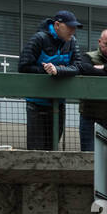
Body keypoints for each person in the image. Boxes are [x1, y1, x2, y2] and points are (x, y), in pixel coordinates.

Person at [18, 10, 84, 151]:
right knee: (36, 148)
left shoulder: (72, 42)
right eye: (69, 27)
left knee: (53, 146)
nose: (72, 31)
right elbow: (23, 66)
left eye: (74, 28)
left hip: (59, 103)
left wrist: (58, 70)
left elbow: (78, 66)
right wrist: (46, 71)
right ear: (57, 25)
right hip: (36, 103)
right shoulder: (39, 38)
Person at [79, 28, 107, 152]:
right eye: (106, 44)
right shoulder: (88, 56)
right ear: (100, 42)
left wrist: (105, 68)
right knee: (88, 156)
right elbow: (85, 69)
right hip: (90, 116)